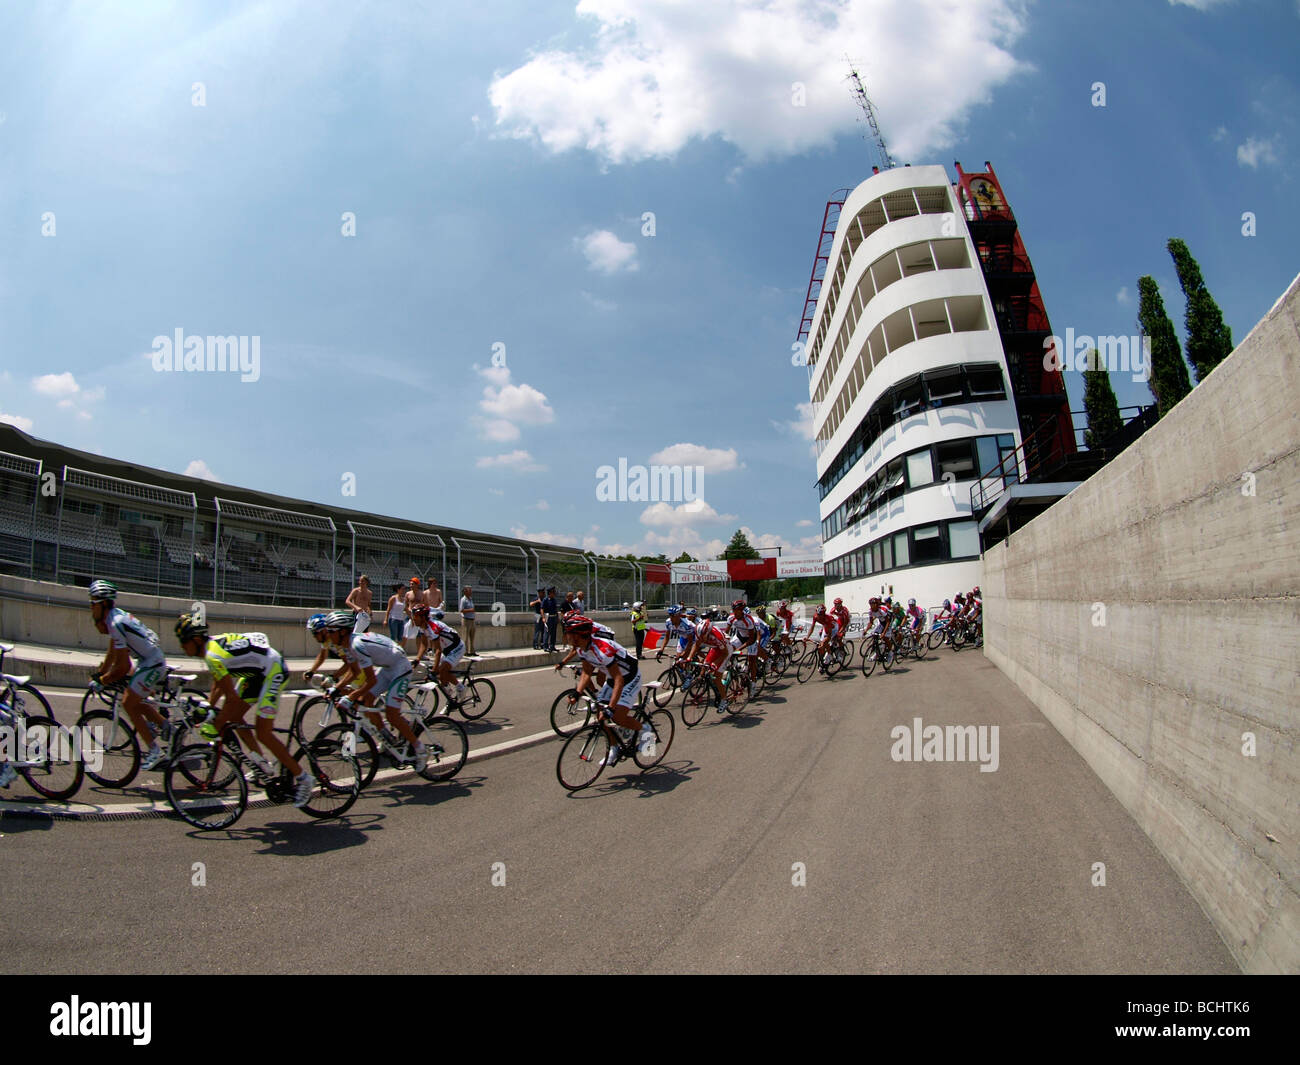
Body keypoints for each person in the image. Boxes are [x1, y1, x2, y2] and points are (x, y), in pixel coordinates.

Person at [174, 612, 316, 806]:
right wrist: (209, 705)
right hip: (256, 672)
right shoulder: (211, 648)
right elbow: (219, 681)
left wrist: (215, 725)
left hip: (273, 670)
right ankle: (262, 764)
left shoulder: (211, 656)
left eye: (184, 641)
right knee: (234, 717)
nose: (181, 646)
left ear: (196, 640)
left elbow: (230, 698)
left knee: (263, 732)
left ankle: (304, 778)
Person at [323, 612, 427, 771]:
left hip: (400, 668)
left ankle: (420, 749)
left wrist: (350, 696)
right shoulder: (346, 645)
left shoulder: (356, 645)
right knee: (366, 701)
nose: (328, 635)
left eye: (331, 631)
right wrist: (336, 688)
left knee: (392, 714)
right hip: (387, 668)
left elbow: (370, 680)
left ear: (342, 631)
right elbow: (354, 671)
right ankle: (387, 737)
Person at [88, 580, 173, 771]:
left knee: (128, 703)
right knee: (134, 700)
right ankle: (166, 726)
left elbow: (123, 666)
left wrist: (103, 681)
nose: (91, 607)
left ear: (103, 604)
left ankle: (155, 751)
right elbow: (112, 654)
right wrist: (101, 673)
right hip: (148, 660)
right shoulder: (114, 618)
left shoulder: (115, 623)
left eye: (93, 603)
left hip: (152, 663)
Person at [563, 616, 652, 766]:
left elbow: (619, 680)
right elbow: (586, 672)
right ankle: (614, 748)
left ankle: (646, 731)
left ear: (580, 635)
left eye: (570, 633)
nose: (567, 637)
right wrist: (577, 693)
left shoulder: (602, 650)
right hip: (613, 677)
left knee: (616, 716)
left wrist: (611, 708)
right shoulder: (581, 648)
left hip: (629, 677)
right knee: (601, 717)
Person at [409, 606, 469, 705]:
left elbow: (438, 650)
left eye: (415, 617)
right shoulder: (422, 627)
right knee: (441, 675)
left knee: (441, 670)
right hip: (447, 649)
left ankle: (461, 688)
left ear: (423, 617)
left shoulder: (433, 627)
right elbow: (424, 644)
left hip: (457, 647)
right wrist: (417, 659)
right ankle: (450, 698)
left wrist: (435, 669)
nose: (413, 619)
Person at [459, 586, 476, 655]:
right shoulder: (463, 600)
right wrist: (470, 610)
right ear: (465, 592)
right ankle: (465, 651)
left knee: (472, 636)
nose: (471, 592)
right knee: (465, 637)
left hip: (472, 619)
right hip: (466, 620)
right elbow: (461, 610)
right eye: (469, 591)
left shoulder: (470, 599)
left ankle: (472, 651)